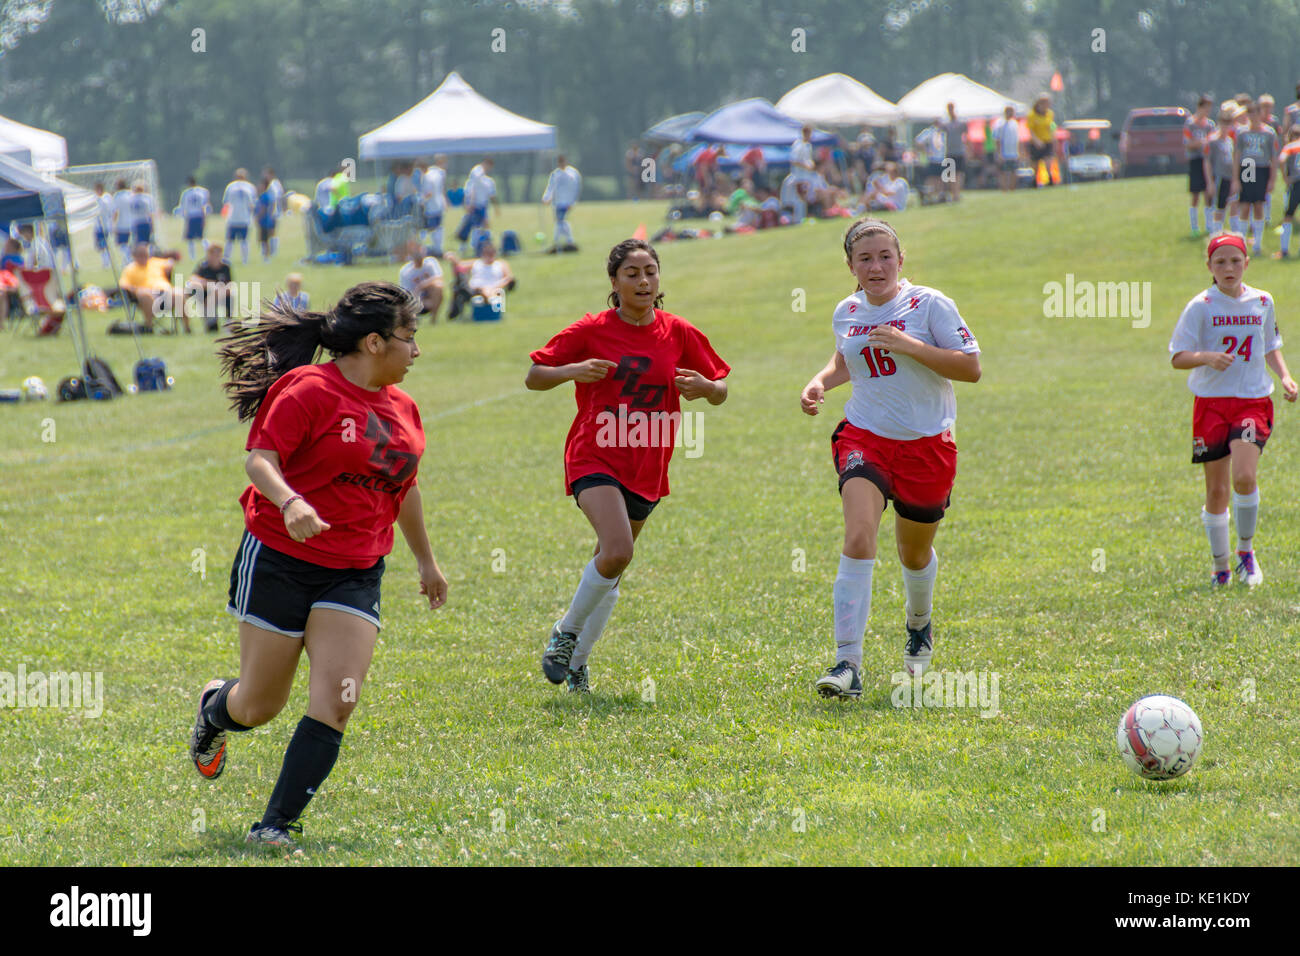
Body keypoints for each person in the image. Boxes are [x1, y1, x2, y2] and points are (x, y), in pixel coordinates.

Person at [191, 281, 447, 848]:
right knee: (259, 705)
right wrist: (291, 501)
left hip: (356, 569)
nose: (417, 351)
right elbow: (261, 460)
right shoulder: (307, 389)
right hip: (281, 558)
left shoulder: (404, 407)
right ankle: (215, 708)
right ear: (376, 342)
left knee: (338, 698)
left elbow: (404, 487)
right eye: (410, 338)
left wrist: (426, 561)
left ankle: (274, 826)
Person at [525, 239, 730, 692]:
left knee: (612, 566)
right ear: (614, 282)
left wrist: (706, 389)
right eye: (632, 273)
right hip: (594, 453)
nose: (643, 280)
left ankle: (577, 663)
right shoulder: (590, 328)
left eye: (650, 272)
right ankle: (564, 635)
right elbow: (535, 377)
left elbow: (720, 387)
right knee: (618, 549)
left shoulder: (678, 332)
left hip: (649, 461)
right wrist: (570, 371)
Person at [800, 218, 981, 698]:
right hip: (865, 436)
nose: (876, 266)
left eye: (884, 256)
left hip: (927, 446)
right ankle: (847, 663)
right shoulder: (847, 310)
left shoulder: (930, 304)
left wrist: (910, 345)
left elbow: (971, 367)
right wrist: (820, 381)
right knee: (859, 534)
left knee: (914, 552)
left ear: (901, 261)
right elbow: (846, 359)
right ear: (851, 266)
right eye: (865, 258)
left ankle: (918, 622)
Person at [1169, 233, 1296, 588]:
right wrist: (1206, 357)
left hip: (1252, 401)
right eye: (1220, 262)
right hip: (1210, 405)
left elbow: (1270, 345)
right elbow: (1178, 357)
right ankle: (1220, 567)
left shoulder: (1262, 300)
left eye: (1235, 261)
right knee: (1216, 492)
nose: (1228, 268)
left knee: (1244, 476)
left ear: (1246, 263)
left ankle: (1246, 552)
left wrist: (1285, 377)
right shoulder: (1201, 306)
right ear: (1209, 267)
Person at [1233, 103, 1278, 255]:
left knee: (1259, 205)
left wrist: (1272, 179)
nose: (1252, 117)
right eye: (1249, 113)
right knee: (1245, 205)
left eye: (1254, 113)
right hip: (1248, 167)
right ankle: (1242, 242)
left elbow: (1273, 157)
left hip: (1262, 168)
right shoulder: (1242, 133)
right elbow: (1237, 156)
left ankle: (1257, 243)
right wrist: (1235, 178)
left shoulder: (1269, 133)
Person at [120, 242, 182, 332]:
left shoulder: (155, 263)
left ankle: (187, 329)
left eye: (146, 255)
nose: (143, 257)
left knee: (179, 293)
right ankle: (149, 327)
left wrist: (169, 268)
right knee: (145, 294)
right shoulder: (130, 269)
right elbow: (123, 285)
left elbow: (171, 262)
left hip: (165, 292)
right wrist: (136, 290)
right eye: (140, 255)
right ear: (135, 256)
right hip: (145, 295)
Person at [1184, 95, 1215, 235]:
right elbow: (1188, 143)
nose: (1208, 110)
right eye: (1206, 107)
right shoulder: (1190, 124)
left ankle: (1209, 226)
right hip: (1196, 160)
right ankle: (1194, 227)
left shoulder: (1210, 125)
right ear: (1200, 107)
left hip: (1207, 160)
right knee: (1195, 194)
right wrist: (1201, 142)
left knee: (1208, 193)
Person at [188, 242, 235, 331]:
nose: (216, 257)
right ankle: (212, 323)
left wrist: (216, 293)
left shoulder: (225, 267)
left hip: (221, 296)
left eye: (218, 254)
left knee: (231, 295)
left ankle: (229, 322)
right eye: (213, 254)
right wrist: (211, 285)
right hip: (205, 299)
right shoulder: (203, 266)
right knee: (212, 329)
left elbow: (230, 285)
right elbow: (192, 279)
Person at [542, 154, 582, 254]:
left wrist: (573, 201)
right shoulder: (555, 174)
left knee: (560, 220)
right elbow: (550, 187)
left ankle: (560, 241)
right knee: (560, 221)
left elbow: (576, 188)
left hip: (567, 201)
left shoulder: (572, 173)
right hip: (558, 202)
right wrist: (546, 198)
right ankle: (568, 241)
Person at [457, 157, 497, 255]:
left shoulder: (488, 181)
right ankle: (465, 246)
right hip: (475, 205)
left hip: (482, 205)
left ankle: (479, 245)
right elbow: (472, 189)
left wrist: (496, 207)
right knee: (470, 225)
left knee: (482, 226)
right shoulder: (476, 172)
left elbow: (491, 195)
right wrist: (470, 203)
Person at [397, 239, 443, 322]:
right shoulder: (406, 271)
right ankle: (412, 319)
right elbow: (406, 294)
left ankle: (434, 320)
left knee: (438, 286)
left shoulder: (431, 263)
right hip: (415, 302)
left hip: (430, 299)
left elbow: (438, 278)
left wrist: (421, 286)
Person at [1273, 128, 1300, 259]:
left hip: (1296, 183)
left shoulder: (1290, 146)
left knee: (1288, 216)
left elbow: (1282, 160)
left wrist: (1285, 177)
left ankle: (1284, 251)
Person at [223, 168, 258, 265]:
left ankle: (227, 259)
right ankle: (244, 260)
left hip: (233, 218)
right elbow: (252, 204)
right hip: (244, 218)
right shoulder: (250, 187)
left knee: (230, 241)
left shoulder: (230, 187)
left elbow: (226, 203)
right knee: (243, 241)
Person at [418, 155, 448, 255]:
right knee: (438, 228)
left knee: (429, 228)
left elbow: (428, 193)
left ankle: (433, 249)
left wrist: (421, 200)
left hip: (431, 206)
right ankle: (438, 248)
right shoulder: (437, 173)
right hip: (439, 204)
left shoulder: (427, 177)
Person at [1026, 94, 1056, 187]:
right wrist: (1036, 140)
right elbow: (1030, 130)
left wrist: (1053, 135)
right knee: (1035, 163)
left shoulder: (1050, 114)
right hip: (1036, 142)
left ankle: (1050, 180)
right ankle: (1034, 181)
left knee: (1048, 161)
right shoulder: (1032, 115)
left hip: (1047, 141)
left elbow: (1052, 126)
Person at [178, 176, 212, 261]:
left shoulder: (186, 193)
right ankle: (209, 252)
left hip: (191, 216)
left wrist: (185, 218)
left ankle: (192, 257)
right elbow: (205, 206)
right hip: (200, 216)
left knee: (191, 239)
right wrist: (205, 218)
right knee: (202, 238)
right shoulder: (203, 191)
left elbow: (183, 207)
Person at [914, 118, 947, 202]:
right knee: (932, 178)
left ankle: (940, 195)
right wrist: (926, 151)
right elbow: (918, 141)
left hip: (943, 158)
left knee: (941, 178)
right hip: (933, 159)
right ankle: (930, 195)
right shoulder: (929, 132)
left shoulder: (944, 132)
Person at [993, 106, 1021, 192]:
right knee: (1004, 172)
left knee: (1014, 171)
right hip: (1004, 153)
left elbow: (1016, 139)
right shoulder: (1000, 123)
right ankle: (1004, 189)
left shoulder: (1014, 123)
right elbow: (997, 139)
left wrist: (1018, 151)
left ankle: (1012, 189)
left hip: (1014, 152)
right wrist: (999, 153)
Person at [942, 102, 966, 202]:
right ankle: (953, 194)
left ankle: (957, 193)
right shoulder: (945, 124)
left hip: (959, 151)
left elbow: (966, 136)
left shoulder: (960, 123)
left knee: (959, 174)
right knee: (951, 175)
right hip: (950, 152)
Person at [255, 175, 278, 263]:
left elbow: (263, 209)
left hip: (265, 221)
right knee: (264, 240)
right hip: (265, 220)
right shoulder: (265, 195)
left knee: (265, 240)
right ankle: (265, 255)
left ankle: (266, 257)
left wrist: (258, 217)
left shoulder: (265, 196)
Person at [92, 182, 114, 268]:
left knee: (103, 245)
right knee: (100, 246)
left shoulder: (106, 198)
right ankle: (105, 262)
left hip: (104, 226)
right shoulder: (95, 198)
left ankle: (106, 263)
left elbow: (110, 210)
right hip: (97, 226)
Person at [112, 178, 134, 258]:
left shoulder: (117, 196)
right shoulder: (131, 194)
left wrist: (113, 223)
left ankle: (127, 259)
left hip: (121, 224)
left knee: (122, 244)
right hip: (132, 223)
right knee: (131, 243)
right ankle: (130, 258)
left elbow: (115, 211)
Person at [130, 183, 156, 249]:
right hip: (146, 222)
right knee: (148, 243)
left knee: (139, 244)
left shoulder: (131, 198)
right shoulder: (148, 198)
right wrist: (152, 226)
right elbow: (151, 213)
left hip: (136, 223)